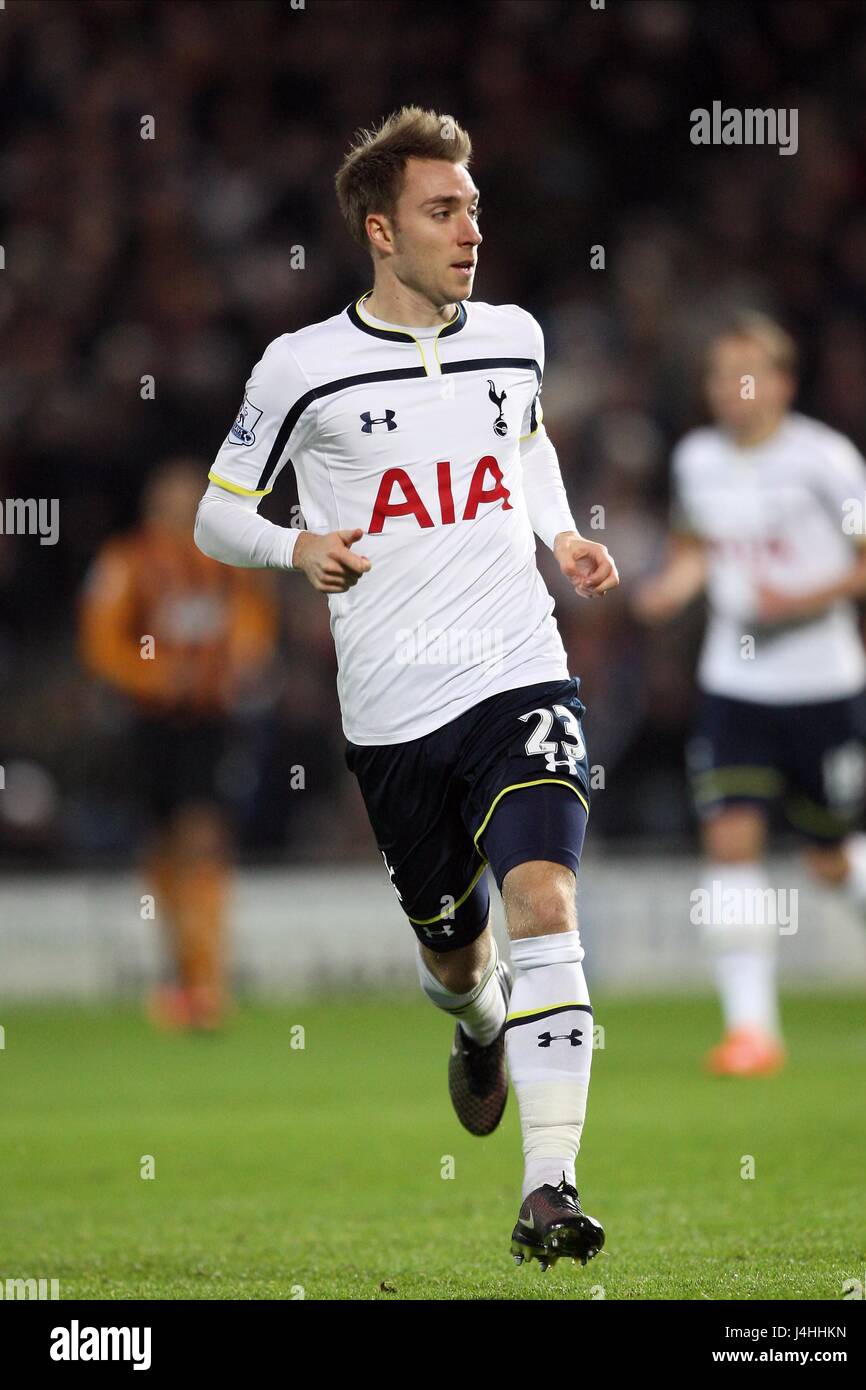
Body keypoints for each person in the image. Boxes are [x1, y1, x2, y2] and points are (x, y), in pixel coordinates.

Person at [194, 106, 620, 1269]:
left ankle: (550, 1186)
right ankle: (480, 1030)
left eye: (475, 206)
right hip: (392, 715)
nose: (470, 227)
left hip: (519, 666)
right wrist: (293, 549)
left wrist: (560, 534)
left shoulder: (516, 335)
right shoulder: (302, 368)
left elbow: (524, 440)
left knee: (545, 898)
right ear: (381, 230)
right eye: (444, 210)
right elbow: (216, 511)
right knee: (458, 959)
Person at [634, 314, 866, 1076]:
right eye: (718, 375)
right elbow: (695, 549)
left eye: (746, 372)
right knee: (729, 841)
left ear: (781, 382)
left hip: (822, 686)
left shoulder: (823, 459)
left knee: (827, 857)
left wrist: (803, 599)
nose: (729, 389)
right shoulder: (697, 459)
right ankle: (751, 1029)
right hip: (734, 686)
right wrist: (667, 591)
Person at [81, 458, 278, 1030]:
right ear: (151, 507)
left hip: (209, 722)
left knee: (202, 835)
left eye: (188, 502)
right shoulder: (126, 560)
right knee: (162, 845)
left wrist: (234, 667)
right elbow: (101, 639)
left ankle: (207, 979)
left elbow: (253, 627)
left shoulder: (224, 561)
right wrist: (155, 677)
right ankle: (179, 975)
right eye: (169, 502)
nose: (178, 513)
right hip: (147, 724)